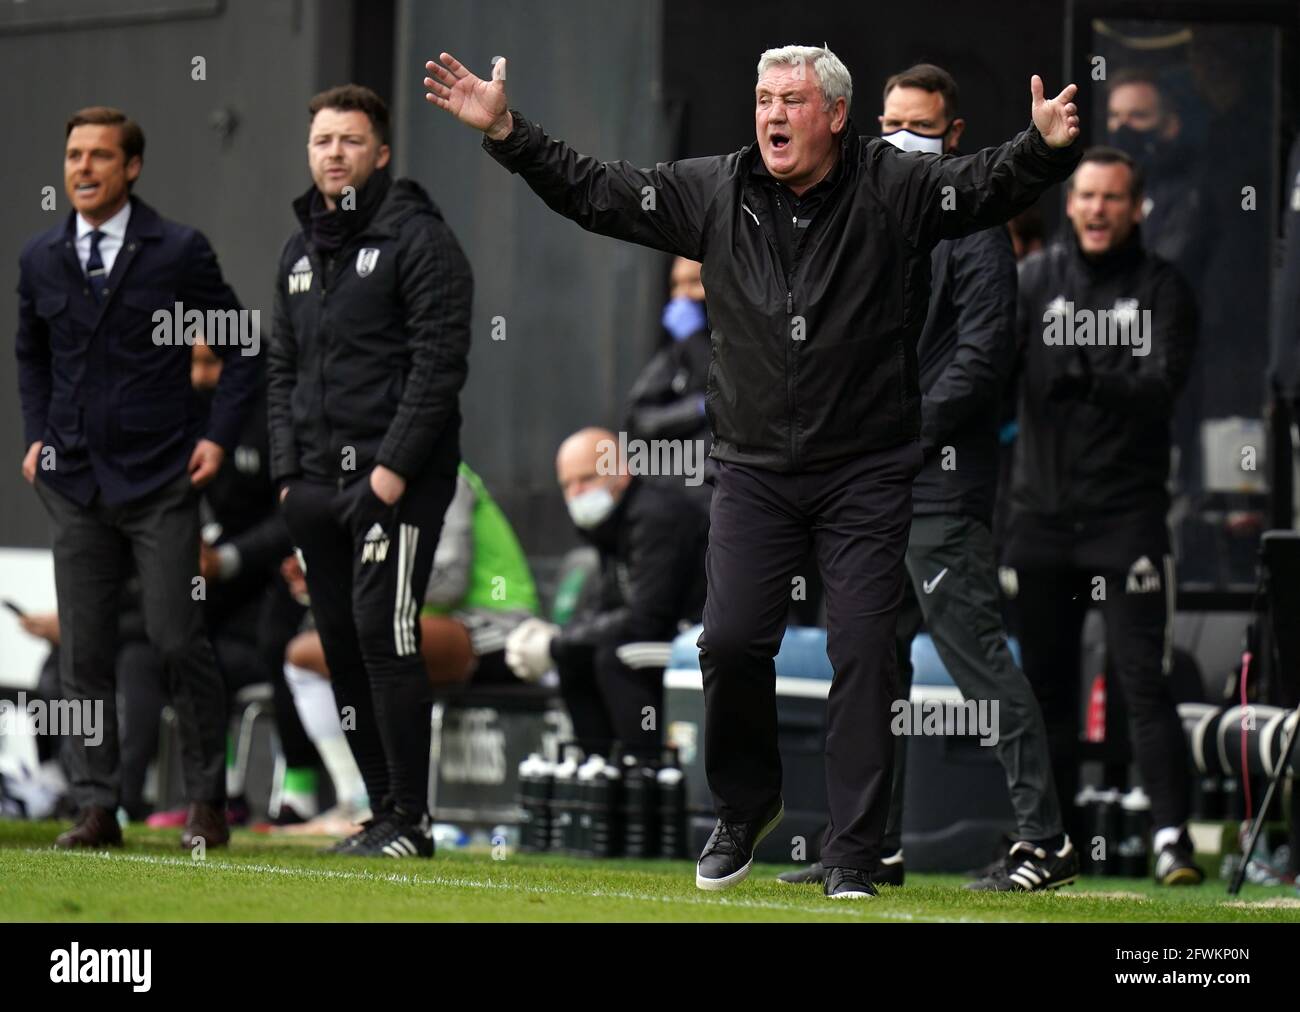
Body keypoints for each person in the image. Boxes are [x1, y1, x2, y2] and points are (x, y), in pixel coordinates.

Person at [426, 43, 1080, 898]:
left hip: (868, 469)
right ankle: (748, 802)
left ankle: (853, 851)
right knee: (730, 641)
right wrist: (508, 132)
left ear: (836, 116)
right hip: (754, 468)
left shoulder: (894, 185)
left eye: (793, 100)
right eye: (764, 97)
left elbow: (986, 184)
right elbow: (598, 190)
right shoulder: (716, 188)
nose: (772, 113)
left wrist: (1041, 147)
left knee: (864, 652)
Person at [778, 64, 1074, 892]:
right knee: (870, 667)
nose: (905, 138)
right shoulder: (873, 219)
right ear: (874, 124)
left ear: (953, 135)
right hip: (875, 487)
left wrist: (901, 436)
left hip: (938, 486)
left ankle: (1044, 842)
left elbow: (983, 359)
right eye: (893, 124)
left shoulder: (976, 229)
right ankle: (870, 844)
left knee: (977, 659)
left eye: (923, 127)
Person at [15, 106, 258, 849]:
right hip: (75, 485)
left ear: (132, 168)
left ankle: (208, 805)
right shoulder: (41, 258)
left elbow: (244, 347)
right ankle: (97, 808)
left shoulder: (178, 251)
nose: (82, 169)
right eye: (74, 156)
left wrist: (217, 438)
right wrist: (35, 439)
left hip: (160, 483)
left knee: (176, 638)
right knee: (85, 652)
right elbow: (31, 356)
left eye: (99, 157)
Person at [267, 84, 473, 860]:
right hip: (316, 488)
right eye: (323, 141)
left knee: (387, 637)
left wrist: (388, 473)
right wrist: (288, 479)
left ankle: (412, 823)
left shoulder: (420, 240)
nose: (334, 154)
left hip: (397, 485)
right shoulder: (298, 249)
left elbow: (439, 366)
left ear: (380, 153)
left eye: (350, 141)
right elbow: (281, 370)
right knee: (343, 644)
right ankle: (381, 809)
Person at [1006, 147, 1202, 885]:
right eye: (1085, 196)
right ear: (1070, 204)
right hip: (1041, 518)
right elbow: (994, 375)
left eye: (1112, 199)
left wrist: (1088, 376)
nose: (1096, 209)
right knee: (1045, 689)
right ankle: (1056, 843)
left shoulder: (1163, 289)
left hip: (1126, 519)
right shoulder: (1033, 281)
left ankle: (1171, 840)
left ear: (1136, 208)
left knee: (1142, 680)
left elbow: (1162, 385)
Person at [278, 462, 539, 839]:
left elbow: (449, 580)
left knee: (355, 645)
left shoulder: (448, 476)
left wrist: (356, 586)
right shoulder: (369, 481)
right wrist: (327, 584)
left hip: (498, 628)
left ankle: (376, 806)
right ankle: (359, 800)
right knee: (316, 651)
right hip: (415, 623)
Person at [505, 428, 707, 759]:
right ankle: (599, 767)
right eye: (567, 485)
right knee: (578, 654)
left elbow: (645, 619)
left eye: (586, 479)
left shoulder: (656, 516)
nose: (576, 493)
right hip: (662, 637)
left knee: (614, 657)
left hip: (696, 639)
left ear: (621, 471)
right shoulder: (609, 527)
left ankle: (644, 772)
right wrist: (560, 638)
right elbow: (607, 606)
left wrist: (555, 644)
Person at [623, 256, 713, 516]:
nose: (683, 295)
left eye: (695, 282)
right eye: (676, 285)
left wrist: (696, 341)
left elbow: (731, 396)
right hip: (679, 503)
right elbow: (639, 419)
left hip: (718, 501)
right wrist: (695, 409)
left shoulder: (747, 343)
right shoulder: (675, 352)